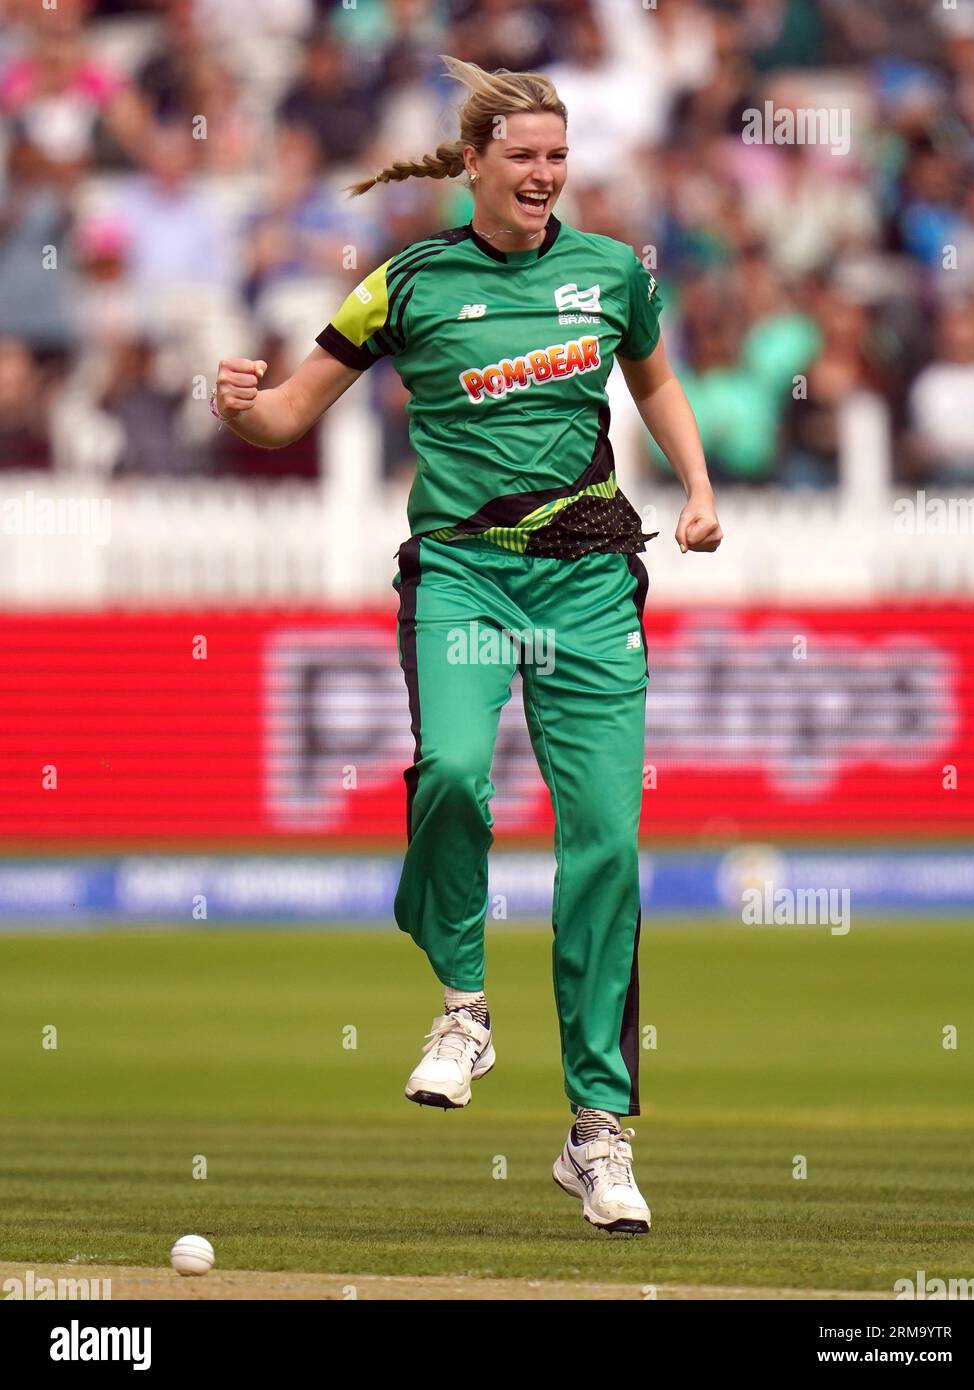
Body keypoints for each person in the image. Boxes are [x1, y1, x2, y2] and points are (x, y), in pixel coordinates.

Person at [212, 56, 722, 1235]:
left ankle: (599, 1136)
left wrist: (695, 485)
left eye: (558, 156)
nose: (545, 176)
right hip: (460, 578)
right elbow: (288, 414)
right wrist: (237, 404)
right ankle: (463, 1004)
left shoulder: (612, 274)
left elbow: (656, 380)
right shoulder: (406, 283)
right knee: (447, 774)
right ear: (475, 163)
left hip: (591, 583)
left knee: (605, 848)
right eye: (524, 157)